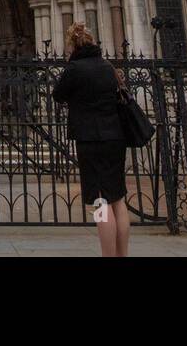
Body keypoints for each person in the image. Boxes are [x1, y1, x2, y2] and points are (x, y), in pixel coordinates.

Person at [51, 23, 131, 257]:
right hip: (115, 139)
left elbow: (58, 95)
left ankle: (107, 254)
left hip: (90, 140)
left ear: (72, 45)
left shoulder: (75, 69)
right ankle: (121, 255)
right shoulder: (109, 67)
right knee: (118, 198)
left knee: (100, 201)